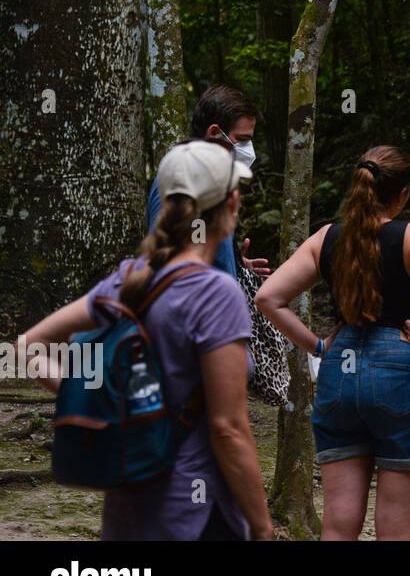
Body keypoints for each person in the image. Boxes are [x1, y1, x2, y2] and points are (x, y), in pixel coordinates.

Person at [21, 139, 274, 540]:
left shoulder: (130, 278)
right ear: (230, 204)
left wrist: (102, 403)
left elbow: (27, 348)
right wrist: (262, 528)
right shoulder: (215, 293)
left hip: (128, 511)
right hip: (196, 515)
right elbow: (228, 428)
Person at [255, 146, 410, 540]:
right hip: (401, 369)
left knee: (338, 524)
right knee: (395, 527)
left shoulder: (327, 238)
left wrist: (318, 347)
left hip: (341, 368)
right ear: (403, 192)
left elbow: (268, 298)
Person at [148, 83, 270, 280]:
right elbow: (165, 262)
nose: (248, 149)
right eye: (242, 139)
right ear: (214, 133)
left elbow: (199, 244)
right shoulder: (180, 184)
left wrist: (236, 264)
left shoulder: (213, 185)